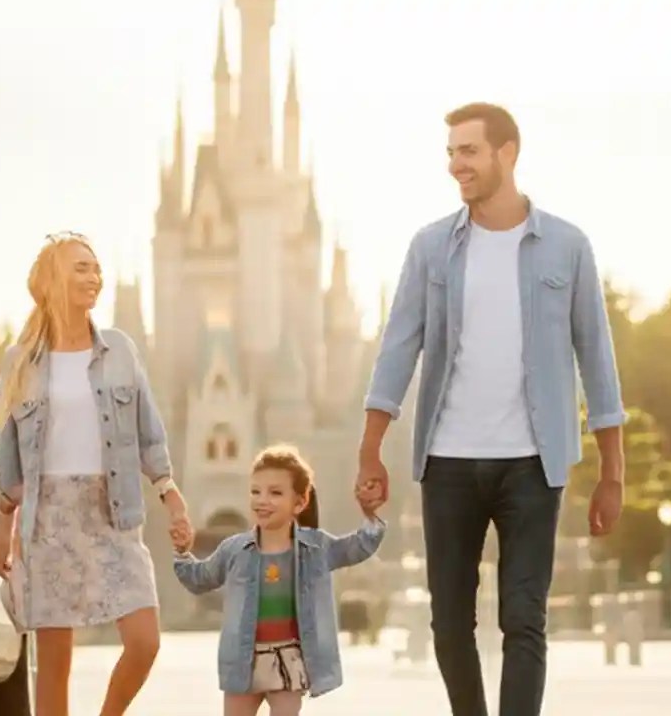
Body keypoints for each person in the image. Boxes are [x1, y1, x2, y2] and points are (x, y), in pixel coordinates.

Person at [359, 103, 626, 715]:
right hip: (448, 461)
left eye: (469, 151)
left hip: (534, 463)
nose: (456, 165)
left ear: (507, 154)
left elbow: (598, 363)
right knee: (449, 623)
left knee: (524, 619)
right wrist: (370, 446)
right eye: (451, 152)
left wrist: (612, 473)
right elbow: (398, 348)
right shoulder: (430, 248)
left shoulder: (567, 247)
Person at [0, 231, 194, 716]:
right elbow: (10, 458)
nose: (93, 276)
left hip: (113, 511)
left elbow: (149, 433)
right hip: (49, 519)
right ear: (53, 280)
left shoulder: (120, 350)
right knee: (54, 666)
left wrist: (171, 495)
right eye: (81, 267)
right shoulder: (20, 362)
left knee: (144, 641)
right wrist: (5, 531)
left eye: (96, 267)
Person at [172, 444, 385, 716]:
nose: (262, 500)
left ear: (299, 502)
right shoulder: (235, 550)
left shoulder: (315, 549)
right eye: (255, 492)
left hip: (289, 659)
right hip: (243, 660)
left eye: (275, 493)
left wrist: (371, 515)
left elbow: (357, 547)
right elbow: (200, 579)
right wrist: (182, 552)